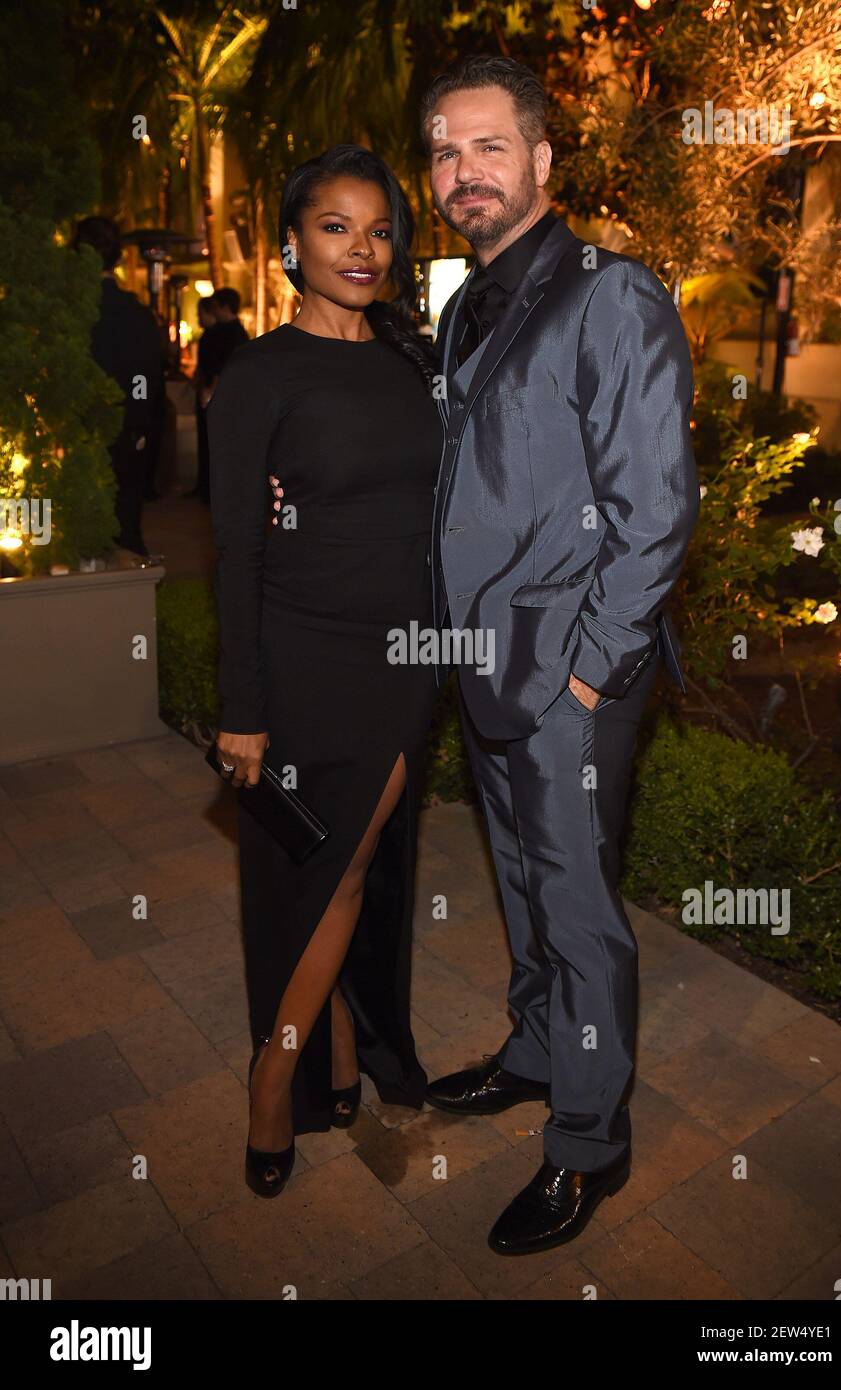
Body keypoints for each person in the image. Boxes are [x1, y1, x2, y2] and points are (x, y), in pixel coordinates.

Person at [420, 57, 701, 1255]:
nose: (462, 170)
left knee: (579, 912)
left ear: (542, 160)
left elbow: (656, 514)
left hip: (569, 679)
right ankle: (537, 1054)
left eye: (489, 146)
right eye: (443, 150)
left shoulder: (611, 293)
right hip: (485, 664)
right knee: (525, 884)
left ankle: (590, 1140)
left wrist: (588, 674)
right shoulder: (462, 302)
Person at [208, 146, 443, 1198]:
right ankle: (284, 1070)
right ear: (293, 243)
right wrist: (243, 712)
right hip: (302, 659)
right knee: (327, 868)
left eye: (381, 228)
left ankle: (319, 1053)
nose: (362, 247)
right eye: (336, 226)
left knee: (352, 862)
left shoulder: (411, 363)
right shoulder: (256, 375)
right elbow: (236, 557)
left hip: (404, 657)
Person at [73, 216, 165, 556]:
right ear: (118, 258)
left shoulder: (70, 310)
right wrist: (139, 418)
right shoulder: (136, 313)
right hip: (126, 425)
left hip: (77, 428)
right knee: (125, 514)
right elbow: (146, 375)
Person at [194, 288, 248, 505]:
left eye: (216, 306)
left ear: (224, 307)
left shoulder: (233, 333)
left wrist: (211, 390)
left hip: (223, 396)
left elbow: (225, 367)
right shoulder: (222, 331)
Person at [190, 294, 218, 503]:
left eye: (200, 314)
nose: (198, 318)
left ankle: (207, 489)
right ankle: (203, 487)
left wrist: (208, 390)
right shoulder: (208, 335)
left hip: (211, 396)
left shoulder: (216, 336)